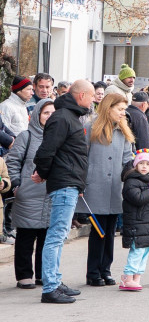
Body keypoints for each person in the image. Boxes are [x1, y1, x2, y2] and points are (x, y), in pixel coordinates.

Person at [33, 79, 95, 303]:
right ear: (81, 96)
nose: (92, 101)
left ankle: (55, 282)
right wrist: (43, 172)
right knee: (56, 236)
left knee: (58, 236)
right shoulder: (62, 118)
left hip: (68, 182)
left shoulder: (68, 116)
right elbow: (46, 151)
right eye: (90, 97)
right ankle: (50, 287)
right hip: (64, 183)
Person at [77, 93, 134, 286]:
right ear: (108, 108)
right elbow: (82, 157)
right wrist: (81, 182)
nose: (122, 113)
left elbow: (127, 160)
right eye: (119, 109)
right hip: (96, 186)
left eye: (124, 110)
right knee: (98, 231)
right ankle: (93, 272)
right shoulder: (90, 127)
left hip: (115, 188)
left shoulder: (123, 131)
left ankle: (105, 269)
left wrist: (135, 176)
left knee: (110, 231)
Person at [7, 99, 54, 289]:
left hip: (50, 194)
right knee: (26, 237)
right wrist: (18, 184)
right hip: (28, 194)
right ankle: (24, 275)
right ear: (36, 115)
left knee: (46, 238)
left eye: (52, 113)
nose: (49, 117)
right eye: (45, 113)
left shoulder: (57, 136)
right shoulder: (26, 136)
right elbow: (13, 162)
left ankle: (43, 274)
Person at [119, 149, 149, 291]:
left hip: (148, 223)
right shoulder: (131, 181)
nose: (144, 166)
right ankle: (128, 277)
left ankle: (137, 276)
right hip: (136, 223)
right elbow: (139, 199)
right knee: (137, 250)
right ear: (135, 165)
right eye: (141, 163)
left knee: (144, 251)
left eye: (148, 164)